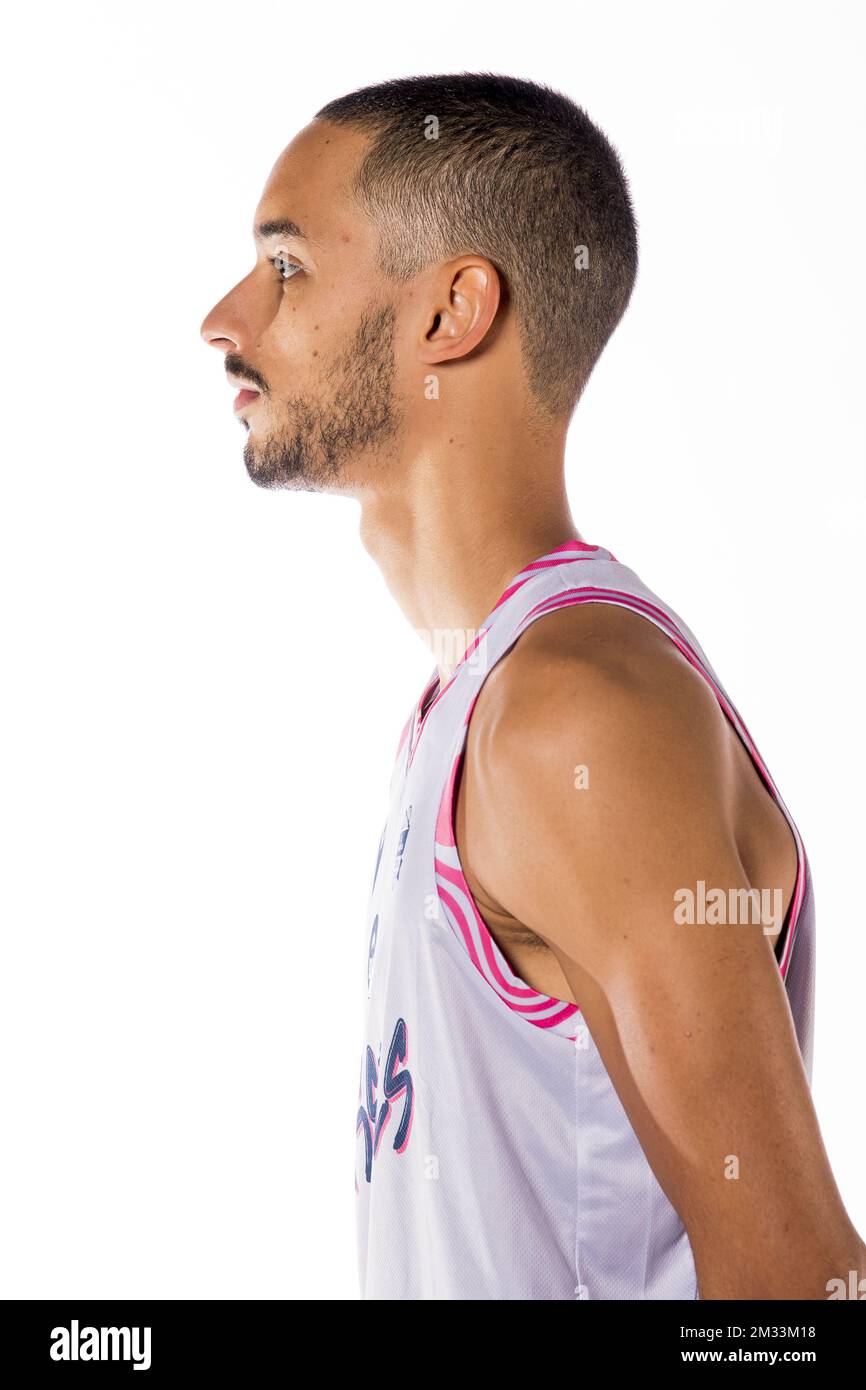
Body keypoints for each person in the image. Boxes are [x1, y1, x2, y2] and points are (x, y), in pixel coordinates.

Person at [200, 72, 864, 1300]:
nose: (223, 319)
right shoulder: (473, 711)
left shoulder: (575, 715)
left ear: (453, 310)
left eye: (285, 264)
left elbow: (795, 1290)